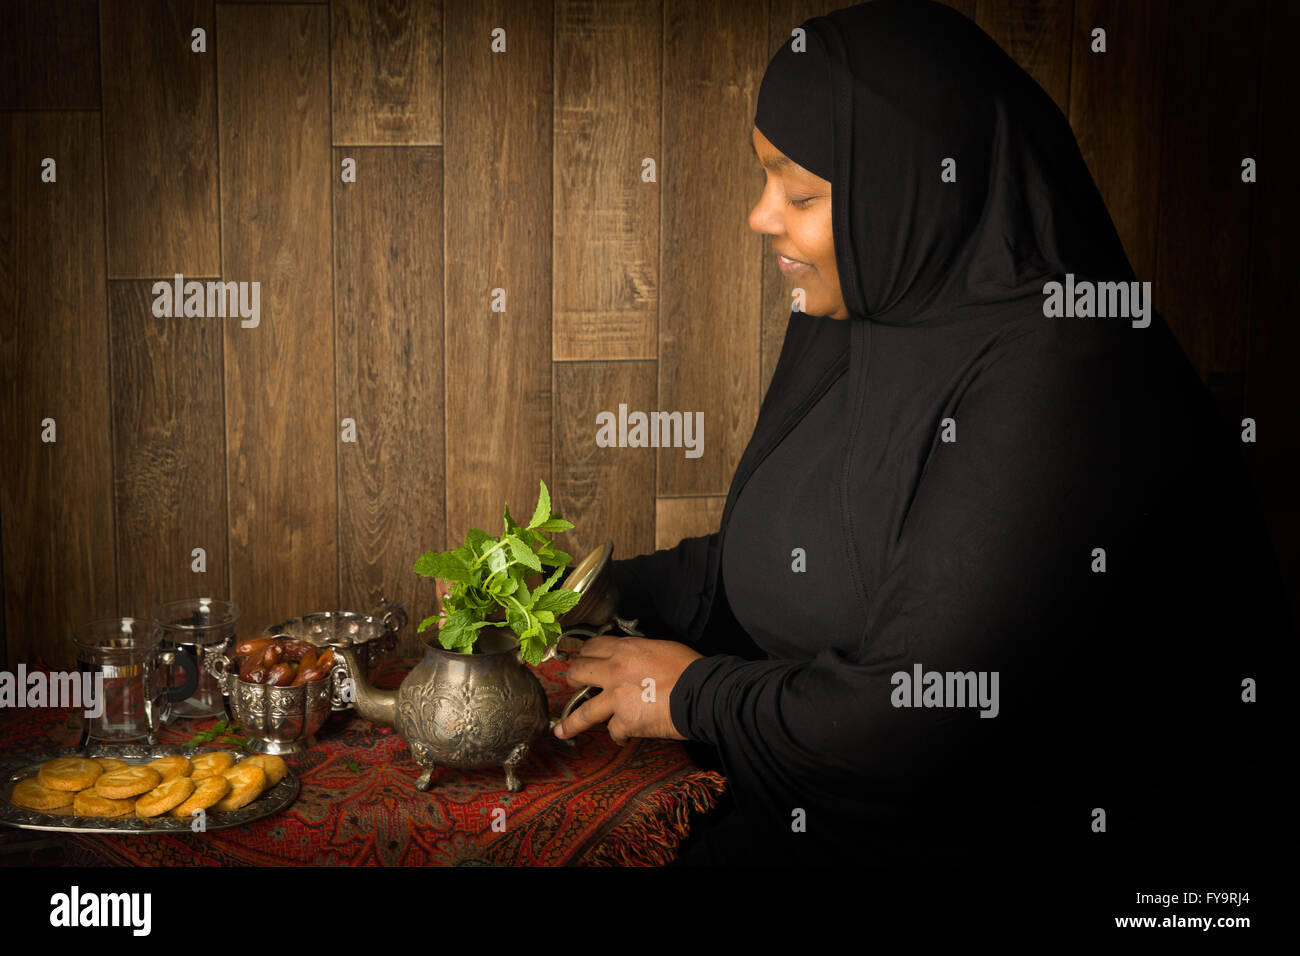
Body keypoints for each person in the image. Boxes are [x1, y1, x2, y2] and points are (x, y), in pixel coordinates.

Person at [552, 0, 1288, 871]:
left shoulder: (1066, 371)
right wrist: (578, 593)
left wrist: (692, 694)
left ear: (906, 188)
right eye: (765, 179)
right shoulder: (866, 305)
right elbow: (794, 555)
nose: (760, 216)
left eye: (801, 191)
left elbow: (920, 731)